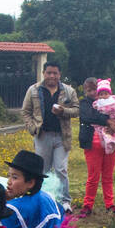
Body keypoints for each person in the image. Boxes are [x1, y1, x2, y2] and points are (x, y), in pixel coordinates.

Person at [21, 61, 80, 211]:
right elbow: (25, 112)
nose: (52, 76)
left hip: (62, 136)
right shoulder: (33, 90)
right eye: (49, 72)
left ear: (59, 74)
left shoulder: (68, 91)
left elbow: (77, 110)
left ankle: (64, 201)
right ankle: (43, 199)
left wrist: (63, 111)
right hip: (42, 136)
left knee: (61, 169)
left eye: (55, 73)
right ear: (43, 73)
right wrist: (32, 128)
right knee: (43, 170)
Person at [2, 150, 64, 228]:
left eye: (14, 177)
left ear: (30, 182)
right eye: (9, 176)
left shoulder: (12, 211)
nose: (9, 182)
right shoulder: (49, 200)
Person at [77, 77, 112, 214]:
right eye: (89, 90)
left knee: (108, 176)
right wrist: (108, 121)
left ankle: (110, 204)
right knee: (93, 176)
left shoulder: (111, 101)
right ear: (85, 91)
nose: (93, 93)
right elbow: (89, 116)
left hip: (110, 143)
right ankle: (87, 205)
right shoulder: (84, 103)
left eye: (94, 90)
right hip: (92, 143)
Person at [92, 79, 115, 155]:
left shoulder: (114, 101)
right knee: (104, 134)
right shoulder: (96, 104)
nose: (103, 96)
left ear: (110, 94)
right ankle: (108, 144)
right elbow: (95, 114)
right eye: (101, 94)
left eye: (105, 94)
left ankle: (114, 144)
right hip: (101, 127)